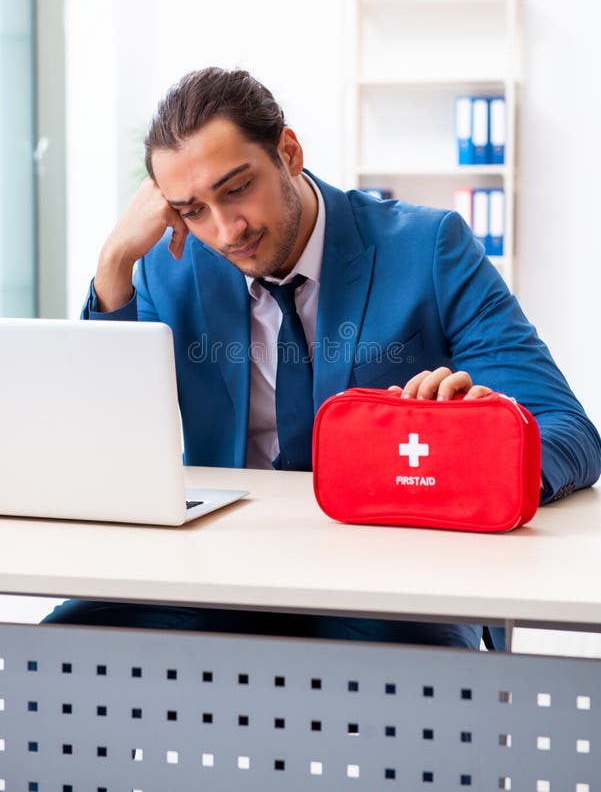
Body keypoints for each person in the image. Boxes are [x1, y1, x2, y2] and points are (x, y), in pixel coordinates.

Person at [43, 68, 601, 646]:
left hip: (393, 576)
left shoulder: (428, 247)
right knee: (59, 655)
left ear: (288, 152)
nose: (226, 229)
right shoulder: (168, 267)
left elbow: (570, 434)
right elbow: (106, 457)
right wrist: (113, 266)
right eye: (192, 210)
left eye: (236, 189)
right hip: (219, 573)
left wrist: (476, 443)